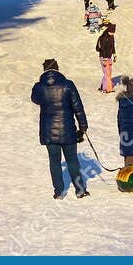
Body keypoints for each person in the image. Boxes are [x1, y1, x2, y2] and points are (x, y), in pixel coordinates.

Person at [30, 58, 90, 199]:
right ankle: (80, 190)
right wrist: (83, 126)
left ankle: (58, 192)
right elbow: (78, 107)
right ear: (58, 69)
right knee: (72, 160)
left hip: (48, 131)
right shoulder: (68, 84)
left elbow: (35, 99)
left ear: (45, 70)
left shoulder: (39, 87)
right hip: (67, 129)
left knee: (54, 161)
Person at [95, 21, 116, 92]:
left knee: (109, 72)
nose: (113, 33)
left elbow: (113, 46)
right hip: (103, 57)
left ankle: (103, 86)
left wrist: (114, 54)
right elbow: (102, 49)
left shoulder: (111, 37)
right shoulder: (103, 37)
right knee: (106, 72)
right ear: (108, 31)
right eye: (112, 32)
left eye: (113, 32)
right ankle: (105, 88)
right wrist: (104, 59)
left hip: (109, 56)